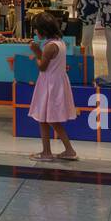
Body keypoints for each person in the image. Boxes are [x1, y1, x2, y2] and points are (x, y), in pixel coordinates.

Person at [25, 12, 79, 162]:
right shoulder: (60, 43)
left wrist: (36, 53)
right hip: (56, 83)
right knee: (52, 119)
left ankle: (47, 152)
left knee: (45, 118)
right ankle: (68, 150)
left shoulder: (49, 47)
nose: (35, 32)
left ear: (43, 29)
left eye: (36, 29)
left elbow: (42, 67)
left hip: (49, 84)